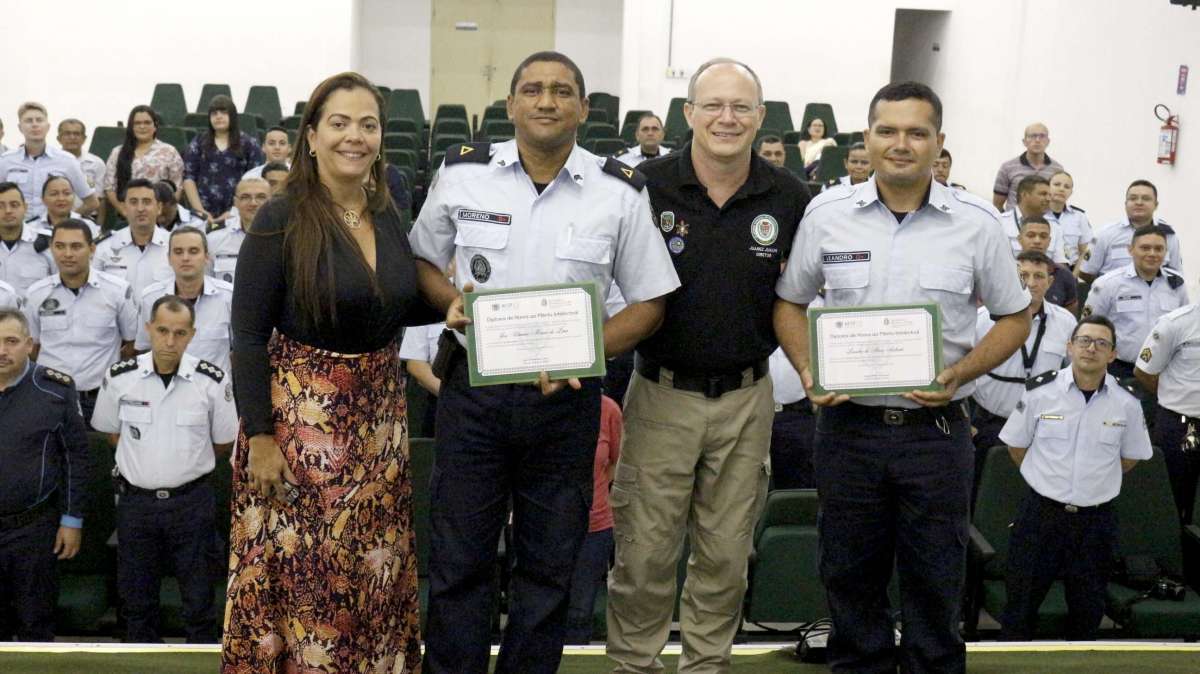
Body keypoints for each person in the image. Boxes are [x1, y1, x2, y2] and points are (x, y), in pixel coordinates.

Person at [409, 51, 679, 674]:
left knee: (549, 565)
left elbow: (649, 302)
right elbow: (423, 262)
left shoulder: (618, 192)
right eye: (532, 89)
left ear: (584, 108)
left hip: (567, 400)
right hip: (473, 393)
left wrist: (589, 352)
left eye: (562, 91)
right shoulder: (462, 175)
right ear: (510, 105)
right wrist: (450, 302)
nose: (547, 101)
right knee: (458, 561)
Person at [774, 81, 1031, 673]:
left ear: (939, 143)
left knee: (935, 583)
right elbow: (789, 303)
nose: (901, 144)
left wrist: (960, 372)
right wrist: (810, 369)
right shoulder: (827, 215)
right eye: (887, 131)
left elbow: (1016, 316)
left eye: (917, 133)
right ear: (865, 138)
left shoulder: (976, 223)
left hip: (935, 435)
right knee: (849, 577)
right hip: (848, 431)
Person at [223, 71, 433, 673]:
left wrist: (450, 306)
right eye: (339, 123)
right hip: (299, 435)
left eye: (368, 124)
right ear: (310, 136)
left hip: (379, 430)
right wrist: (260, 437)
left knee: (373, 572)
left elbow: (389, 299)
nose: (355, 136)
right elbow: (244, 335)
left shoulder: (387, 208)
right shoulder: (281, 218)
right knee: (310, 583)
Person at [607, 57, 810, 674]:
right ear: (688, 114)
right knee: (644, 555)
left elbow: (800, 299)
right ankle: (634, 665)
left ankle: (705, 665)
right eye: (713, 106)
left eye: (741, 107)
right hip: (661, 393)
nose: (727, 118)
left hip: (748, 399)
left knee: (725, 556)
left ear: (760, 117)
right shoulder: (644, 185)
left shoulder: (790, 195)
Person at [92, 295, 237, 643]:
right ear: (148, 330)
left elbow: (223, 442)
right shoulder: (120, 377)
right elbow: (112, 433)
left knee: (199, 598)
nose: (170, 341)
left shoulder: (211, 381)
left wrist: (179, 468)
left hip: (192, 502)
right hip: (136, 505)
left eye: (179, 332)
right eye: (162, 331)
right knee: (136, 599)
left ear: (191, 335)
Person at [998, 315, 1152, 640]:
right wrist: (1049, 480)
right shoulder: (1041, 392)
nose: (1091, 349)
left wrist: (1089, 482)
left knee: (1087, 614)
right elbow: (1016, 446)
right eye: (1084, 340)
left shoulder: (1127, 401)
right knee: (1020, 610)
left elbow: (1130, 456)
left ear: (1112, 354)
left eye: (1101, 343)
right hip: (1041, 517)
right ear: (1070, 347)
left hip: (1095, 524)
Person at [0, 308, 89, 642]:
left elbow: (76, 460)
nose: (2, 351)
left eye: (11, 341)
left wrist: (72, 521)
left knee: (34, 625)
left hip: (33, 531)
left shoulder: (55, 391)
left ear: (29, 344)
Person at [971, 251, 1076, 483]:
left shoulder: (1066, 323)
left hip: (1045, 428)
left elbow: (1074, 375)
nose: (1030, 283)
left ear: (1050, 282)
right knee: (984, 492)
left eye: (1039, 276)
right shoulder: (983, 319)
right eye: (1023, 275)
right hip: (990, 425)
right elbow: (962, 368)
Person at [24, 220, 137, 424]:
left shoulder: (117, 291)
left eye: (76, 246)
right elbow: (32, 348)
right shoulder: (36, 294)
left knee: (101, 454)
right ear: (51, 249)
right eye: (60, 246)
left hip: (101, 397)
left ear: (92, 249)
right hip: (50, 395)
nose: (67, 254)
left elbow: (130, 344)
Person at [1083, 224, 1188, 382]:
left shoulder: (1177, 284)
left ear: (1166, 252)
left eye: (1159, 249)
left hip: (1164, 372)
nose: (1152, 254)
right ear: (1130, 250)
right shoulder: (1107, 284)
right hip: (1119, 370)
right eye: (1145, 248)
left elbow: (1184, 327)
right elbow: (1087, 329)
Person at [1136, 300, 1200, 524]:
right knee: (1174, 496)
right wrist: (1173, 397)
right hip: (1182, 425)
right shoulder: (1175, 324)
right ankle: (1174, 554)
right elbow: (1144, 371)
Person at [565, 393, 622, 644]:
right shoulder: (537, 404)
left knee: (579, 612)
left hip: (595, 526)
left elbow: (617, 461)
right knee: (539, 606)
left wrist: (595, 489)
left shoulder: (609, 409)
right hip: (545, 524)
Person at [136, 227, 233, 371]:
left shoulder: (228, 297)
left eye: (193, 251)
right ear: (169, 258)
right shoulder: (151, 298)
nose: (185, 258)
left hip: (213, 391)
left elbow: (240, 350)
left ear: (207, 257)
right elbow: (144, 349)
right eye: (178, 252)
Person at [0, 102, 98, 219]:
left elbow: (92, 202)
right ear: (20, 128)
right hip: (18, 231)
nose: (35, 125)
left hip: (53, 232)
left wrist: (66, 221)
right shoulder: (6, 161)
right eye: (29, 121)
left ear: (48, 127)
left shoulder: (67, 161)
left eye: (39, 120)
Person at [1080, 180, 1184, 282]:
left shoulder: (1169, 236)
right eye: (1133, 198)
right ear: (1126, 204)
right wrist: (1109, 288)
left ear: (1156, 205)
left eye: (1146, 199)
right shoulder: (1105, 234)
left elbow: (1176, 274)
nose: (1139, 202)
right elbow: (1086, 272)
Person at [182, 95, 264, 224]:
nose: (218, 116)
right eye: (214, 113)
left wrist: (234, 211)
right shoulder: (198, 142)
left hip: (238, 215)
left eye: (223, 112)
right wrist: (200, 211)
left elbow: (254, 181)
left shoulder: (249, 144)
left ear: (233, 116)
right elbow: (188, 178)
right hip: (201, 216)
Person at [769, 295, 822, 489]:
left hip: (800, 415)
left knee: (798, 490)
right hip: (751, 413)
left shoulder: (818, 304)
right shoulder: (751, 298)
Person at [93, 178, 172, 300]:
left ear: (159, 208)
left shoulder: (174, 246)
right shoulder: (105, 248)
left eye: (147, 202)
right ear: (124, 208)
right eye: (134, 202)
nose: (140, 209)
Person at [104, 106, 185, 217]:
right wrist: (124, 210)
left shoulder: (169, 151)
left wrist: (164, 211)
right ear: (131, 127)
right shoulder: (117, 152)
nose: (142, 127)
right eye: (137, 123)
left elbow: (178, 186)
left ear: (155, 126)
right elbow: (109, 187)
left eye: (147, 123)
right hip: (128, 216)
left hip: (161, 216)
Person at [206, 177, 269, 286]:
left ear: (271, 201)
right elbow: (206, 280)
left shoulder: (284, 237)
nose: (253, 203)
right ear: (235, 202)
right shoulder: (214, 238)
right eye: (245, 197)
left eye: (261, 197)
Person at [0, 181, 56, 297]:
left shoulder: (47, 243)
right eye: (0, 206)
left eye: (14, 205)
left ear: (25, 208)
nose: (8, 211)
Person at [992, 122, 1064, 211]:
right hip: (1015, 222)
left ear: (1048, 141)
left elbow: (1059, 201)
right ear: (1024, 141)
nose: (1037, 140)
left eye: (1042, 136)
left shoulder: (1057, 169)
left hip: (1045, 223)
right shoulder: (1007, 167)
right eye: (1033, 136)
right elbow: (997, 205)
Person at [1017, 215, 1078, 312]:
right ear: (1019, 239)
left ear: (1049, 241)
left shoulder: (1064, 275)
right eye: (1031, 235)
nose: (1037, 241)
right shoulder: (1006, 271)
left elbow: (1070, 315)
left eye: (1043, 236)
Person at [1001, 175, 1067, 264]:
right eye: (1043, 194)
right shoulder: (1001, 223)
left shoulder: (1055, 227)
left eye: (1049, 195)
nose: (1048, 199)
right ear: (1024, 195)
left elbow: (1060, 265)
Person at [398, 316, 446, 437]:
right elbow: (415, 364)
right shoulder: (428, 304)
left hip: (496, 404)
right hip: (441, 403)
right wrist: (454, 397)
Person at [56, 119, 106, 221]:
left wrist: (99, 227)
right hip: (56, 219)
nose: (72, 137)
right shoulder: (51, 163)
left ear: (84, 138)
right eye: (67, 134)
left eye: (77, 134)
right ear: (59, 138)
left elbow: (100, 199)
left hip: (88, 218)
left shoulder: (96, 163)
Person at [1046, 171, 1092, 270]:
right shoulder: (1038, 214)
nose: (1061, 189)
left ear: (1071, 192)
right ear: (1047, 187)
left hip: (1071, 271)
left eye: (1067, 187)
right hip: (1043, 271)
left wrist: (1074, 275)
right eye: (1057, 184)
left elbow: (1085, 252)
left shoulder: (1079, 217)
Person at [30, 174, 100, 238]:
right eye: (54, 194)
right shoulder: (31, 228)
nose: (61, 198)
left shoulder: (88, 226)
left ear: (74, 197)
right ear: (43, 199)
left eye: (67, 193)